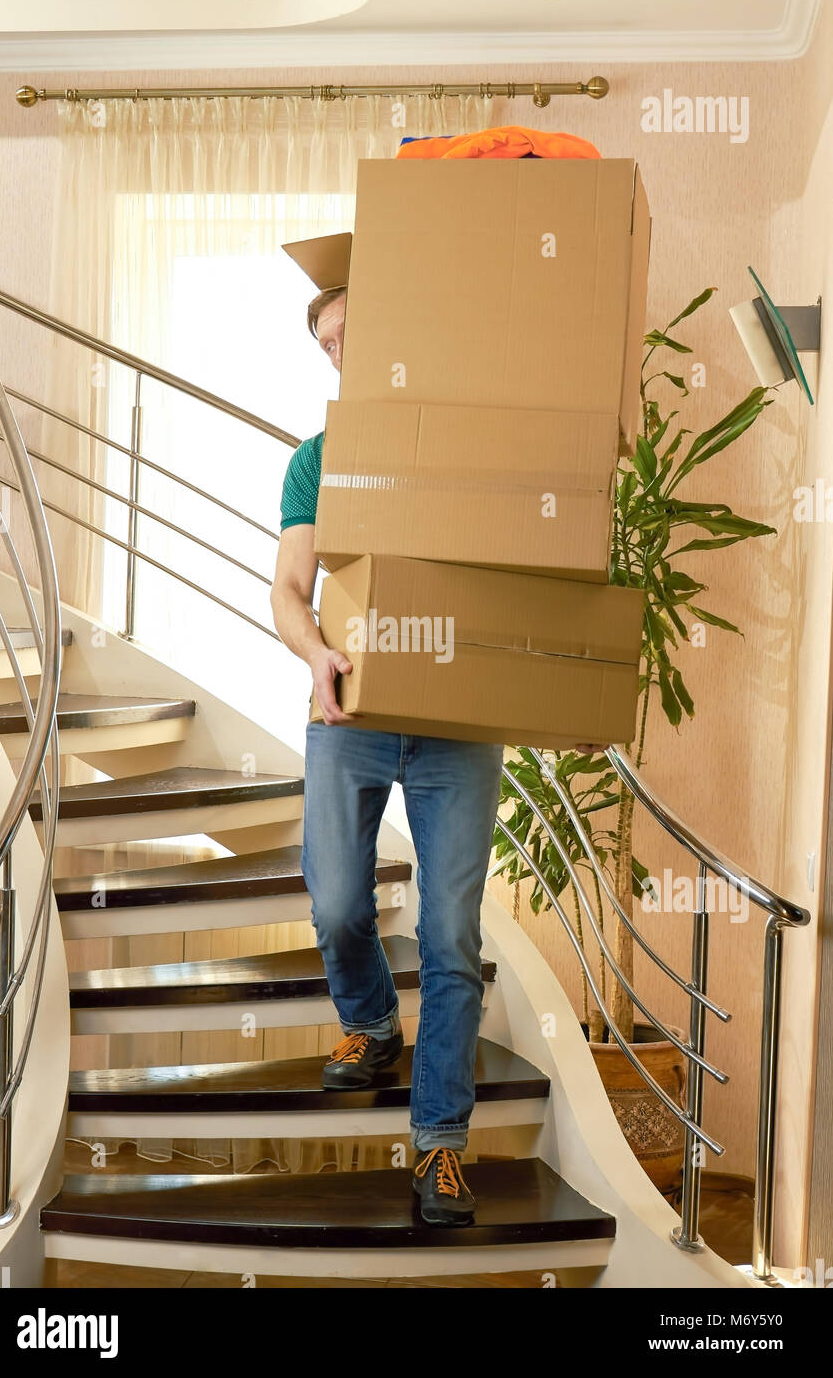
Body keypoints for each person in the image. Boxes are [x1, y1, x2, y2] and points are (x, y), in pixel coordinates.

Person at [270, 282, 602, 1226]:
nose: (339, 352)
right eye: (326, 341)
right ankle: (373, 1023)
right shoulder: (317, 462)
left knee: (451, 935)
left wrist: (566, 689)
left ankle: (440, 1148)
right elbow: (291, 589)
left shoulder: (471, 448)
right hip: (355, 710)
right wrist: (316, 652)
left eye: (351, 332)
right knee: (337, 902)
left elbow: (528, 585)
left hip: (461, 725)